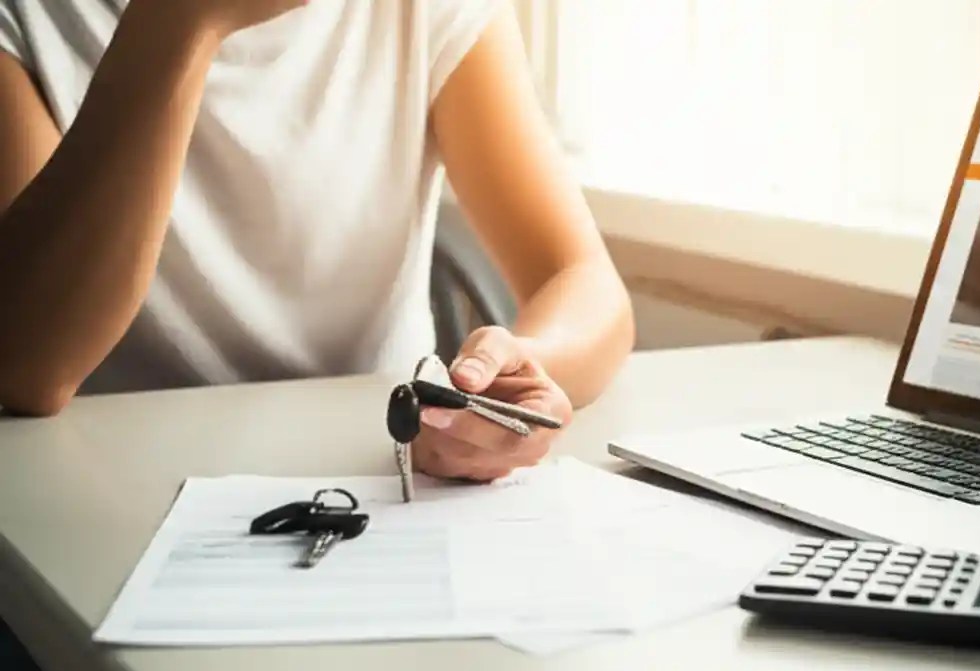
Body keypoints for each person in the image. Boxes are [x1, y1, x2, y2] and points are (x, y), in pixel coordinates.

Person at [0, 0, 636, 482]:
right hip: (106, 489)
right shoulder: (28, 18)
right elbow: (24, 368)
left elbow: (582, 281)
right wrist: (181, 21)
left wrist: (515, 374)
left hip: (381, 476)